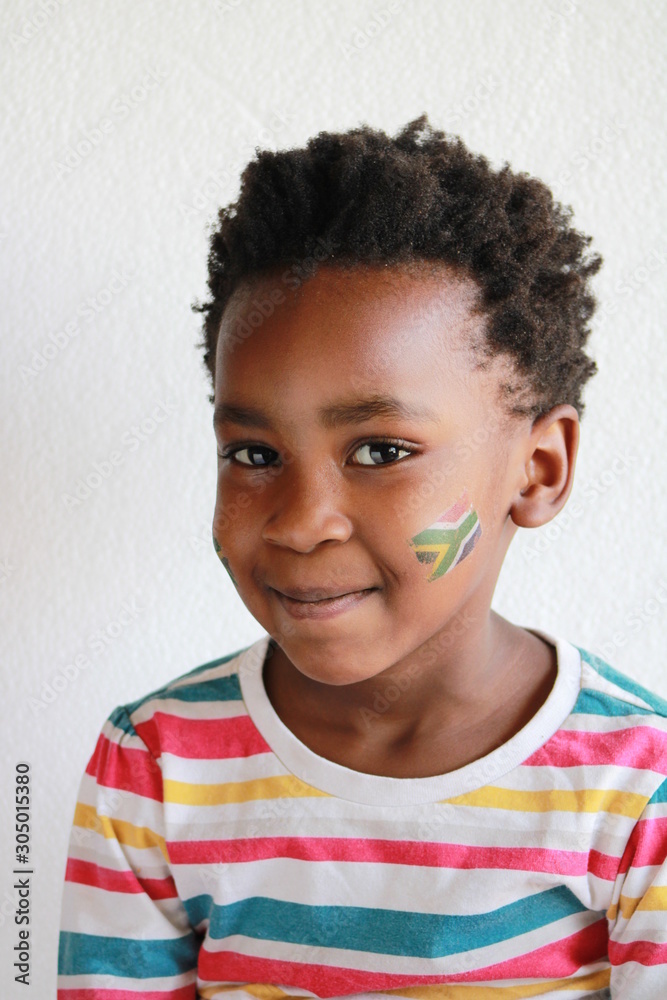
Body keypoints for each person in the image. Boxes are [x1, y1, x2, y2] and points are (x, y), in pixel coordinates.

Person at [57, 114, 667, 999]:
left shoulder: (637, 791)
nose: (302, 524)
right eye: (254, 455)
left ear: (537, 469)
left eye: (380, 451)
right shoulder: (155, 765)